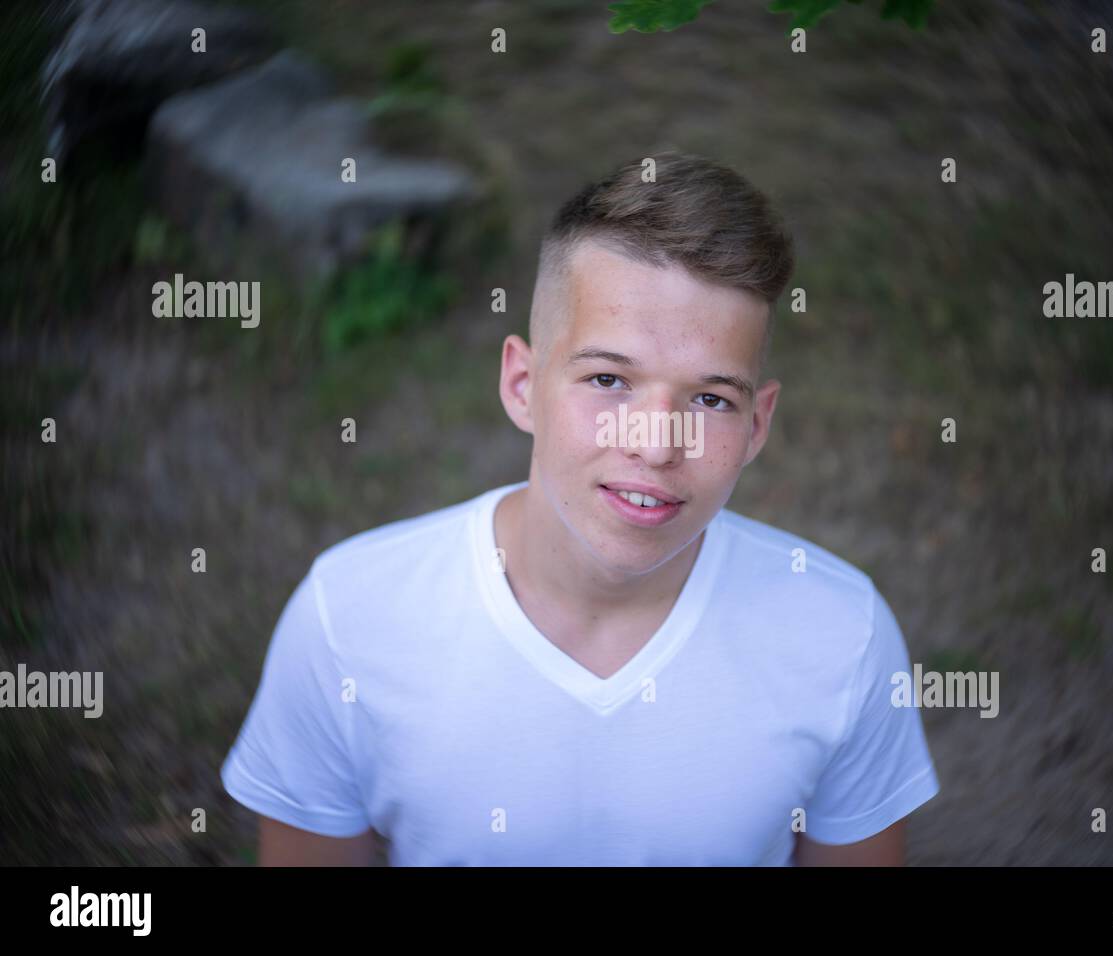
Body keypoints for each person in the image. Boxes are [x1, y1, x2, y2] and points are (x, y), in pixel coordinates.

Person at [220, 150, 940, 865]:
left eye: (711, 399)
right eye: (607, 379)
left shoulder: (842, 637)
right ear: (522, 384)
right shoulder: (349, 620)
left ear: (757, 425)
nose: (656, 446)